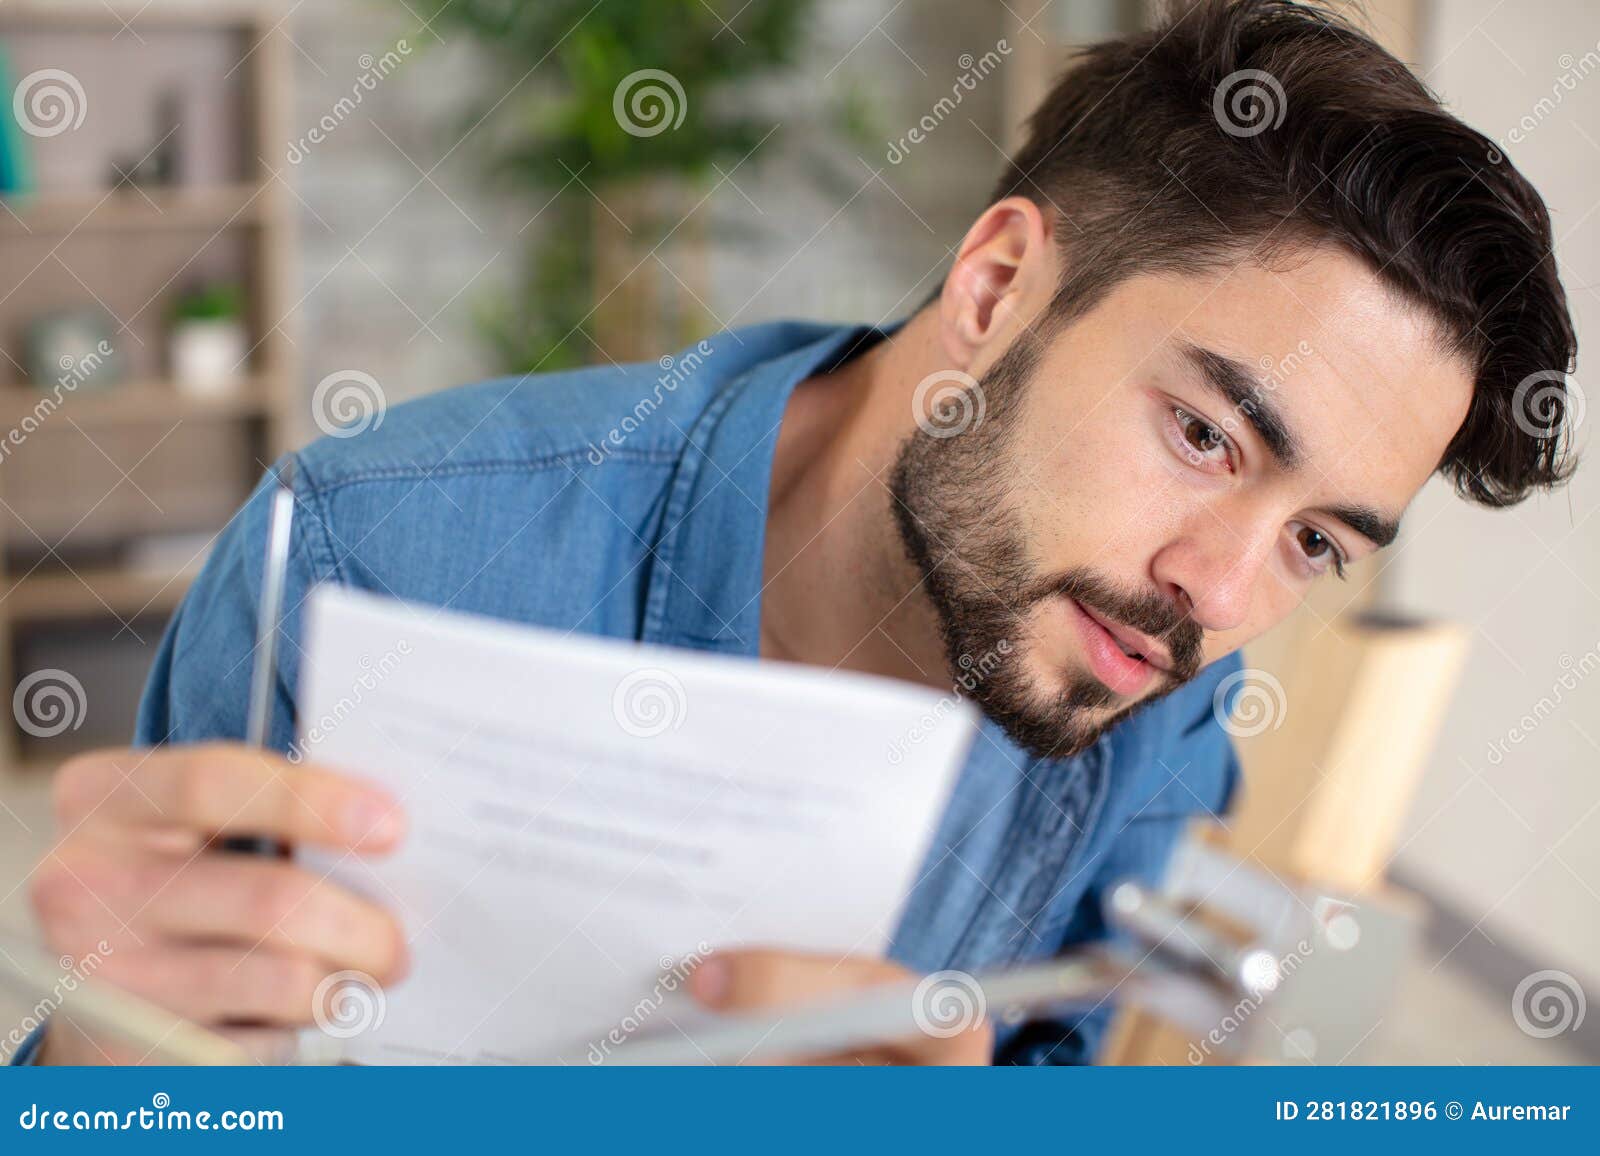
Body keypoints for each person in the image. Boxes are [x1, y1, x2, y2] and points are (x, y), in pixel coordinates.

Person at [23, 0, 1577, 1065]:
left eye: (1318, 543)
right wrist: (100, 1079)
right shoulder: (372, 555)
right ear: (995, 290)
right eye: (1203, 435)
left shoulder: (1146, 707)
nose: (1218, 596)